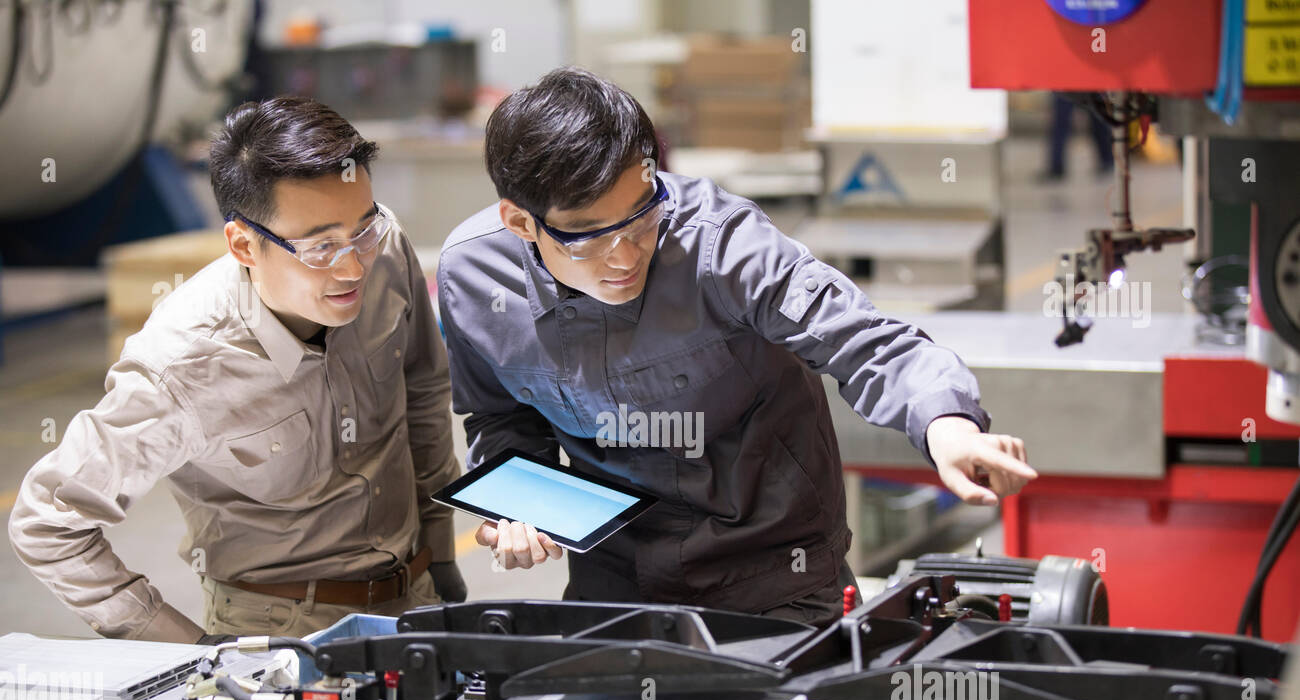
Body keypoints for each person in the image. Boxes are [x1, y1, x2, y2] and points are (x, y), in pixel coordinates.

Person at [437, 68, 1035, 629]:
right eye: (591, 238)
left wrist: (947, 425)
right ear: (521, 223)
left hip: (775, 572)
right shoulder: (476, 278)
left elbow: (861, 338)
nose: (623, 257)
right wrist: (517, 499)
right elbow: (499, 415)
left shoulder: (722, 246)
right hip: (616, 578)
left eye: (641, 221)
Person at [9, 96, 464, 643]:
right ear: (244, 243)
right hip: (280, 632)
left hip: (416, 597)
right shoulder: (183, 366)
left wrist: (438, 549)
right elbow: (45, 523)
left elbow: (424, 394)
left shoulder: (384, 248)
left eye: (361, 231)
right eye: (320, 247)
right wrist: (187, 651)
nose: (352, 266)